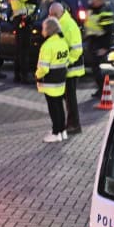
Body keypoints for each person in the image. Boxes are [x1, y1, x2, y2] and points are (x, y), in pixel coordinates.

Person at [48, 1, 85, 134]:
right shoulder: (61, 23)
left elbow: (76, 49)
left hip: (71, 68)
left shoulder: (68, 26)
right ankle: (72, 123)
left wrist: (65, 62)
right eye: (49, 14)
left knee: (70, 98)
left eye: (53, 14)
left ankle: (74, 125)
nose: (50, 17)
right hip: (65, 67)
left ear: (59, 13)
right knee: (68, 98)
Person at [36, 15, 71, 143]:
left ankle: (56, 132)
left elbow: (43, 67)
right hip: (61, 79)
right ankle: (62, 131)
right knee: (59, 106)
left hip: (50, 81)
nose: (42, 31)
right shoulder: (63, 42)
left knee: (53, 107)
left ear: (49, 29)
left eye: (44, 28)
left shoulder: (47, 45)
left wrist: (37, 75)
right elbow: (67, 61)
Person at [9, 0, 39, 85]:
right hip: (25, 21)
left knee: (19, 50)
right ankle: (25, 76)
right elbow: (33, 1)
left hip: (18, 20)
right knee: (24, 51)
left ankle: (17, 75)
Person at [85, 0, 114, 100]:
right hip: (93, 40)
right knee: (94, 66)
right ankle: (101, 88)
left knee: (95, 66)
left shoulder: (105, 12)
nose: (92, 0)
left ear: (101, 0)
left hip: (100, 42)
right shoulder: (93, 9)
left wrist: (105, 47)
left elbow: (108, 31)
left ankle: (103, 89)